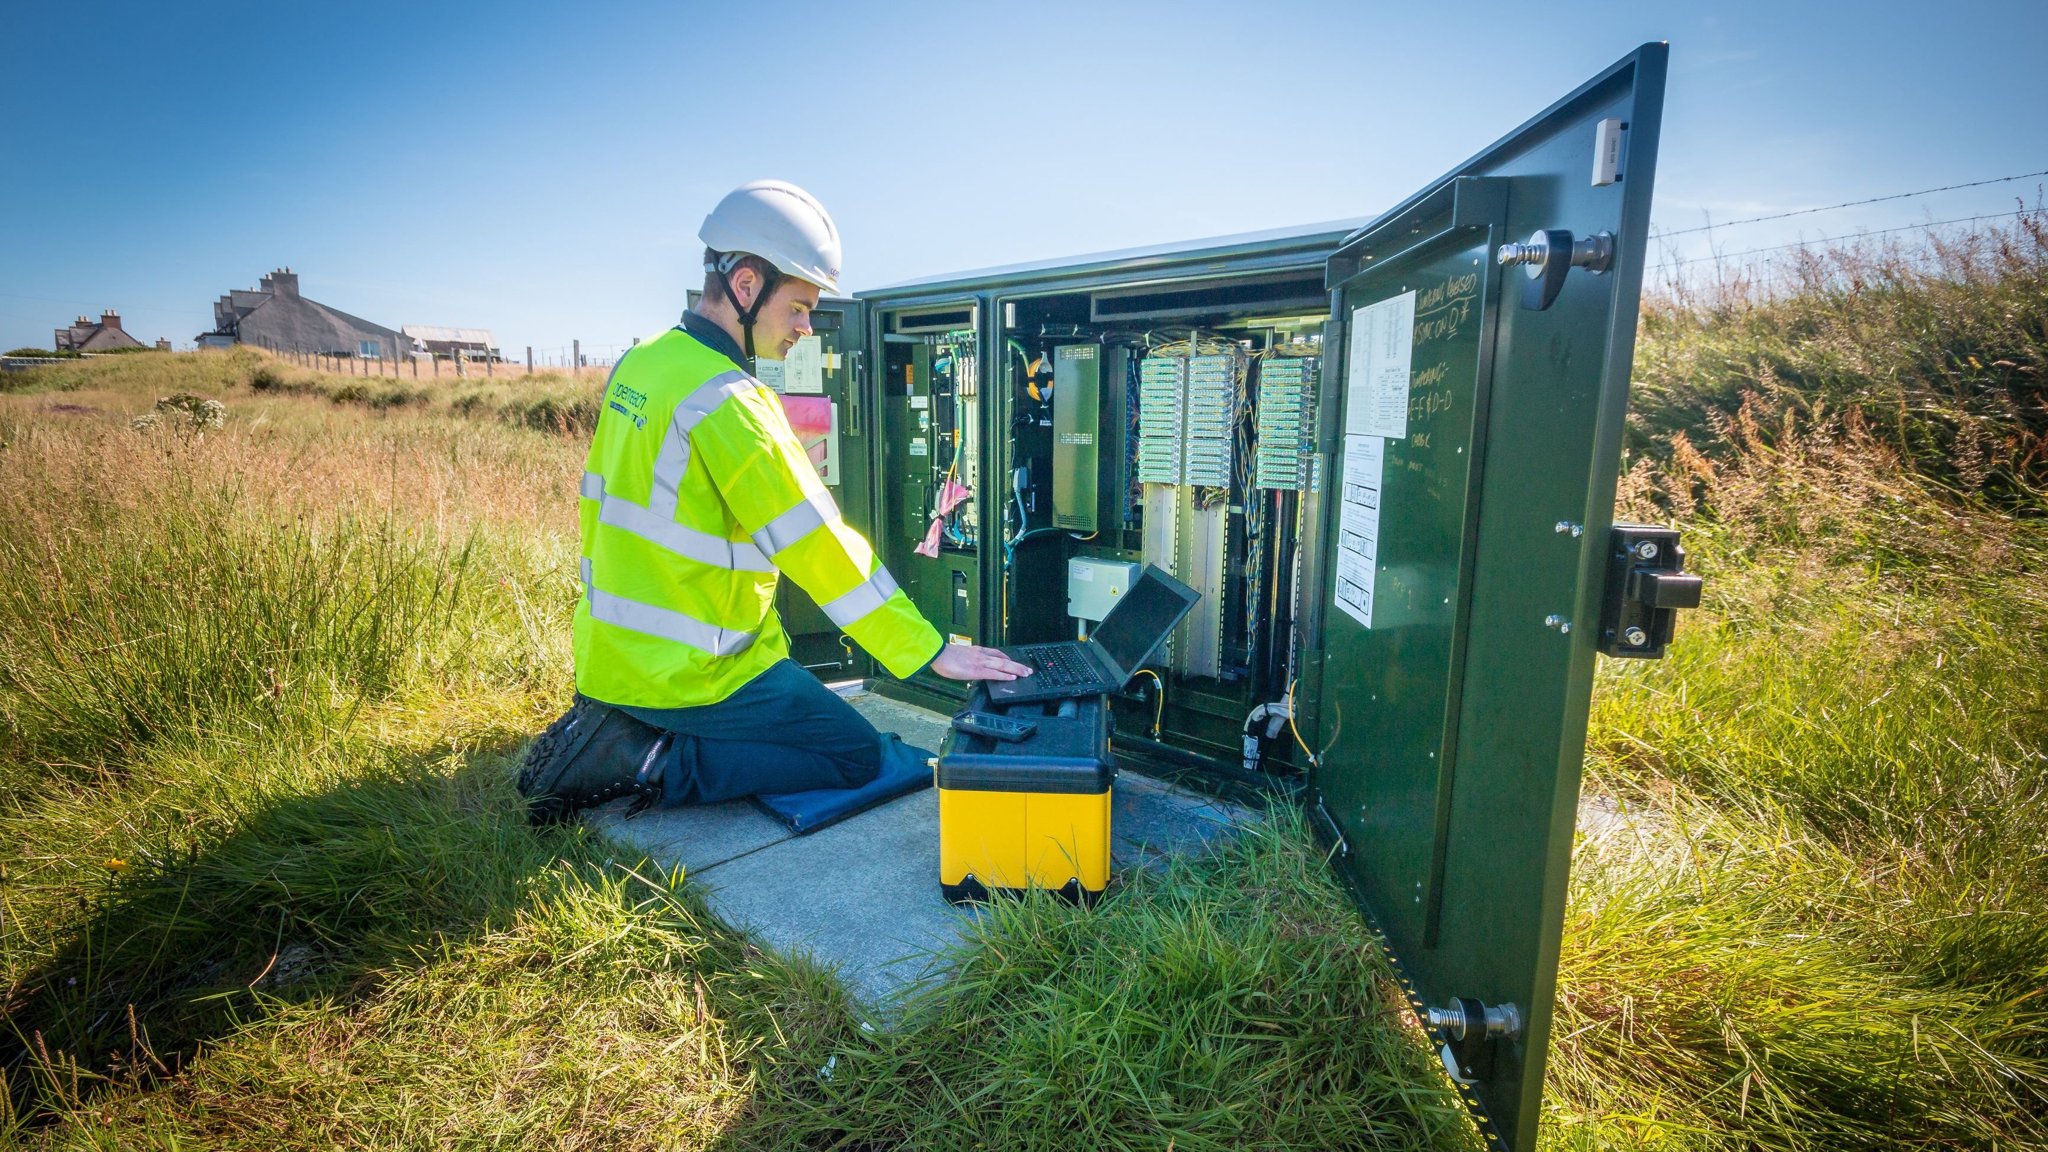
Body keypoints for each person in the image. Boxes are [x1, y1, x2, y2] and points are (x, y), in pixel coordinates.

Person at [518, 179, 1030, 820]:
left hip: (612, 656)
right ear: (747, 285)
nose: (806, 328)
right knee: (856, 755)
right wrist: (927, 650)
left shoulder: (642, 363)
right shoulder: (730, 401)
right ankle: (642, 757)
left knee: (807, 721)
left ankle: (622, 723)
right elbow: (817, 543)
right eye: (798, 307)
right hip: (700, 669)